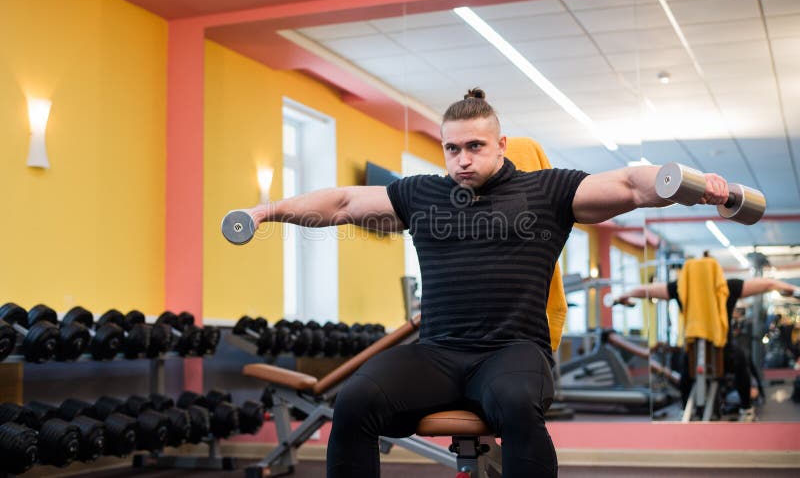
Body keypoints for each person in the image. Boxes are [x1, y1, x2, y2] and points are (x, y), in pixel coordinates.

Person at [235, 88, 731, 477]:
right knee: (354, 401)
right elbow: (343, 203)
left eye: (475, 146)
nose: (463, 160)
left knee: (516, 403)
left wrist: (683, 183)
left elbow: (627, 184)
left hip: (512, 353)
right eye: (452, 149)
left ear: (501, 145)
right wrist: (268, 210)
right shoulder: (421, 194)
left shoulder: (547, 189)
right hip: (437, 355)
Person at [613, 275, 797, 421]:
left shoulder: (683, 287)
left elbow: (645, 290)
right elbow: (767, 284)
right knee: (739, 358)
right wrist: (787, 288)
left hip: (698, 355)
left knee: (691, 361)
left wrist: (625, 295)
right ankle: (746, 408)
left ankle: (687, 407)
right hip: (723, 353)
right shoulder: (725, 286)